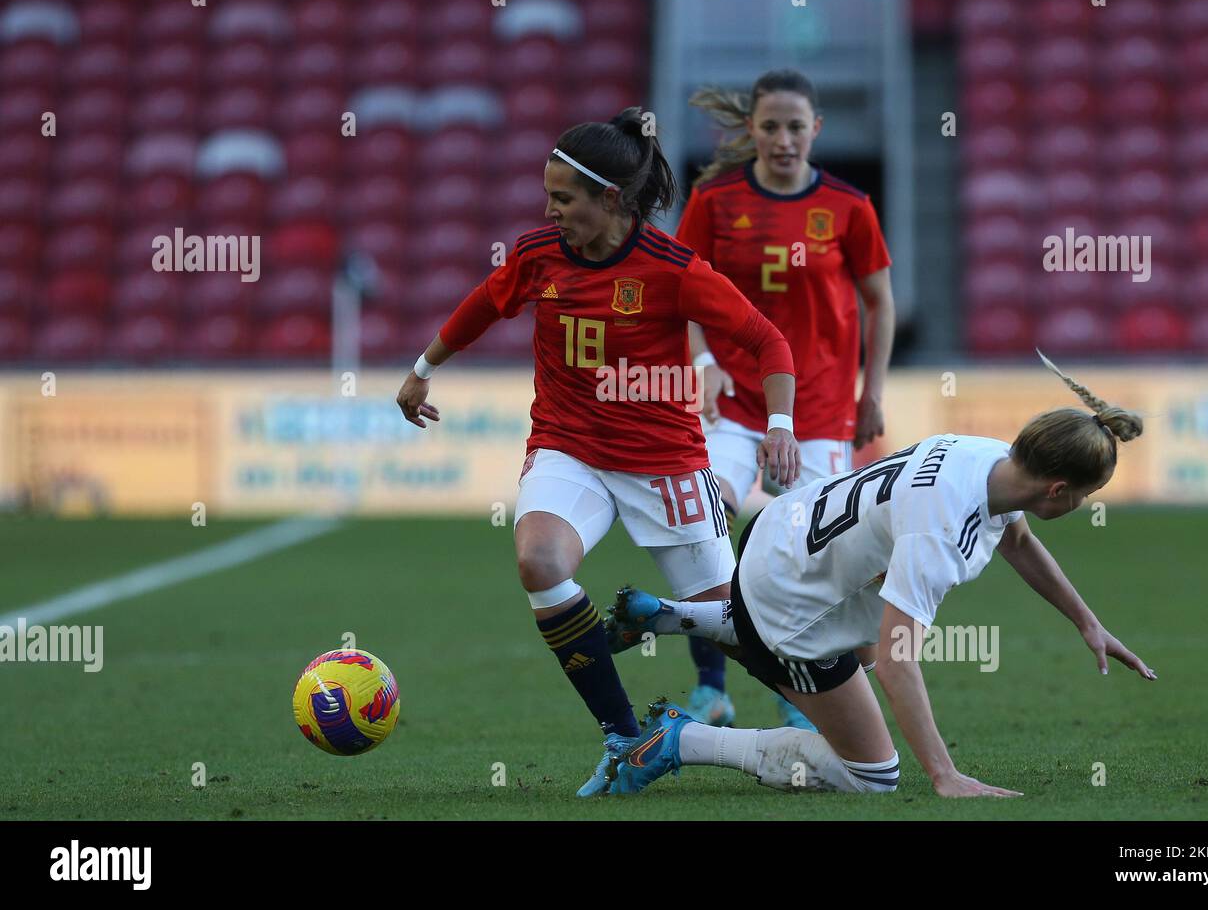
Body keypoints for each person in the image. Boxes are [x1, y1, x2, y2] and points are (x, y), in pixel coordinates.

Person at [395, 108, 800, 796]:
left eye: (562, 199)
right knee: (539, 561)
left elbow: (769, 342)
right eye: (547, 197)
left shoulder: (674, 270)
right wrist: (422, 369)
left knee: (738, 628)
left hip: (664, 465)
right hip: (568, 448)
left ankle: (832, 710)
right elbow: (483, 306)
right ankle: (626, 740)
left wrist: (780, 423)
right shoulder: (537, 255)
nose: (550, 212)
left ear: (610, 199)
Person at [603, 353, 1158, 797]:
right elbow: (898, 662)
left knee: (865, 647)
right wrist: (945, 775)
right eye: (1087, 495)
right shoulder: (940, 530)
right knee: (873, 774)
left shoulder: (988, 458)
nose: (1084, 504)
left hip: (776, 532)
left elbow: (1017, 538)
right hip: (787, 610)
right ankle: (684, 739)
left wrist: (1087, 622)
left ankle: (680, 617)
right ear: (1058, 489)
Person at [671, 69, 896, 729]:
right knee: (703, 524)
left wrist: (871, 393)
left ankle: (798, 687)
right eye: (769, 125)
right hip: (735, 403)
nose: (783, 138)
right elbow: (684, 293)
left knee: (817, 552)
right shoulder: (714, 202)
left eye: (796, 126)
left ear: (816, 130)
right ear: (751, 130)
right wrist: (704, 361)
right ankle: (712, 690)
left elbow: (880, 304)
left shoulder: (850, 208)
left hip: (823, 409)